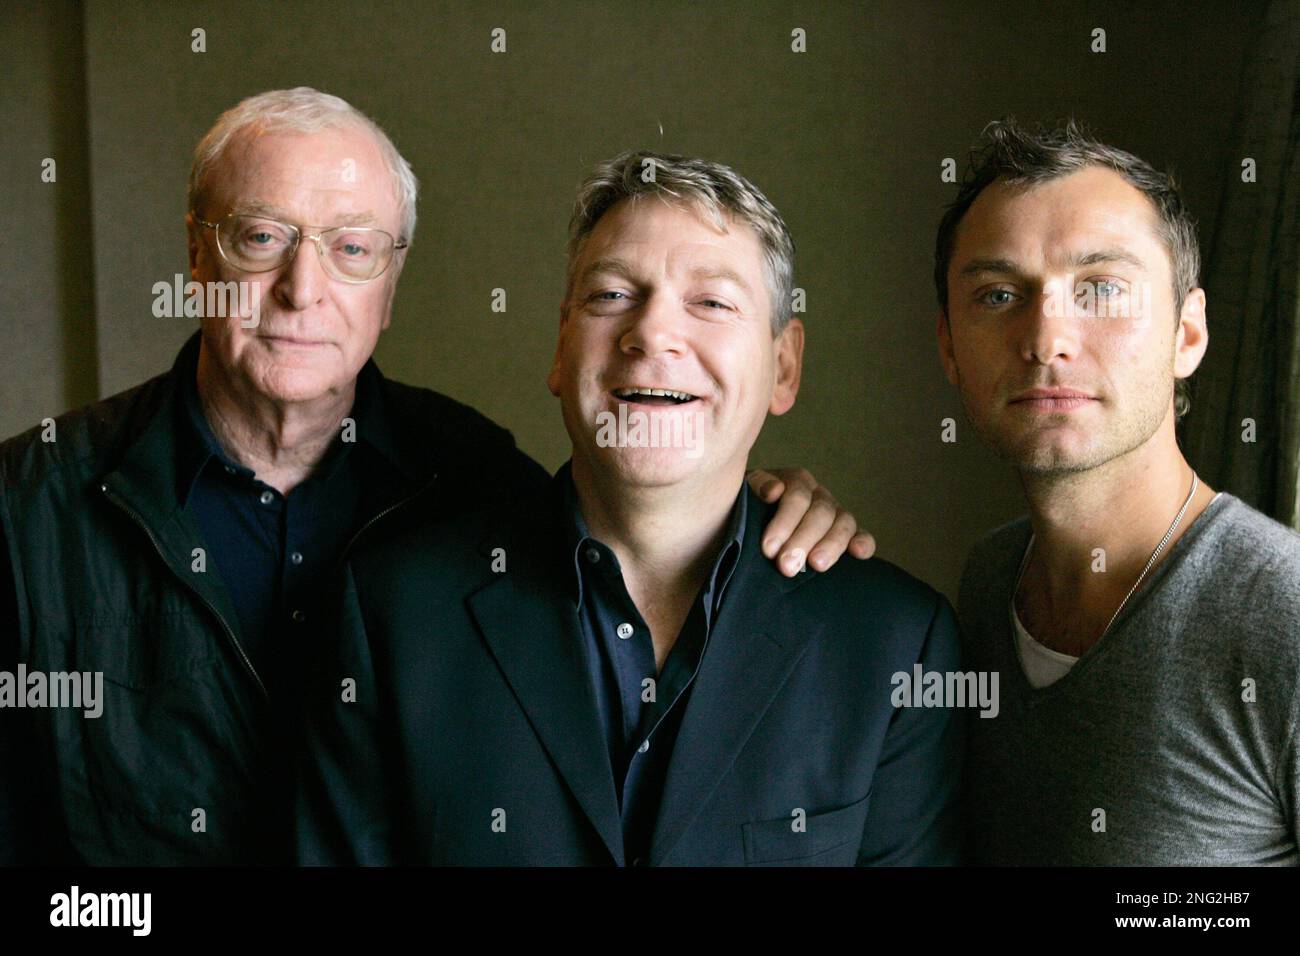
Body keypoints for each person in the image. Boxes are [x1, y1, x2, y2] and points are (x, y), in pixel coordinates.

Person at [0, 88, 872, 865]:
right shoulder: (25, 505)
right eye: (262, 238)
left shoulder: (477, 477)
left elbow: (643, 513)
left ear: (392, 279)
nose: (303, 289)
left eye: (352, 248)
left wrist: (756, 501)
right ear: (198, 256)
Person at [303, 150, 963, 866]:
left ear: (784, 365)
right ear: (561, 349)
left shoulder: (897, 644)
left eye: (711, 302)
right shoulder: (391, 611)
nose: (651, 333)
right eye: (612, 295)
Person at [936, 119, 1300, 864]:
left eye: (1101, 288)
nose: (1046, 338)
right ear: (949, 347)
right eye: (1000, 295)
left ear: (1187, 336)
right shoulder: (984, 586)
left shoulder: (1281, 618)